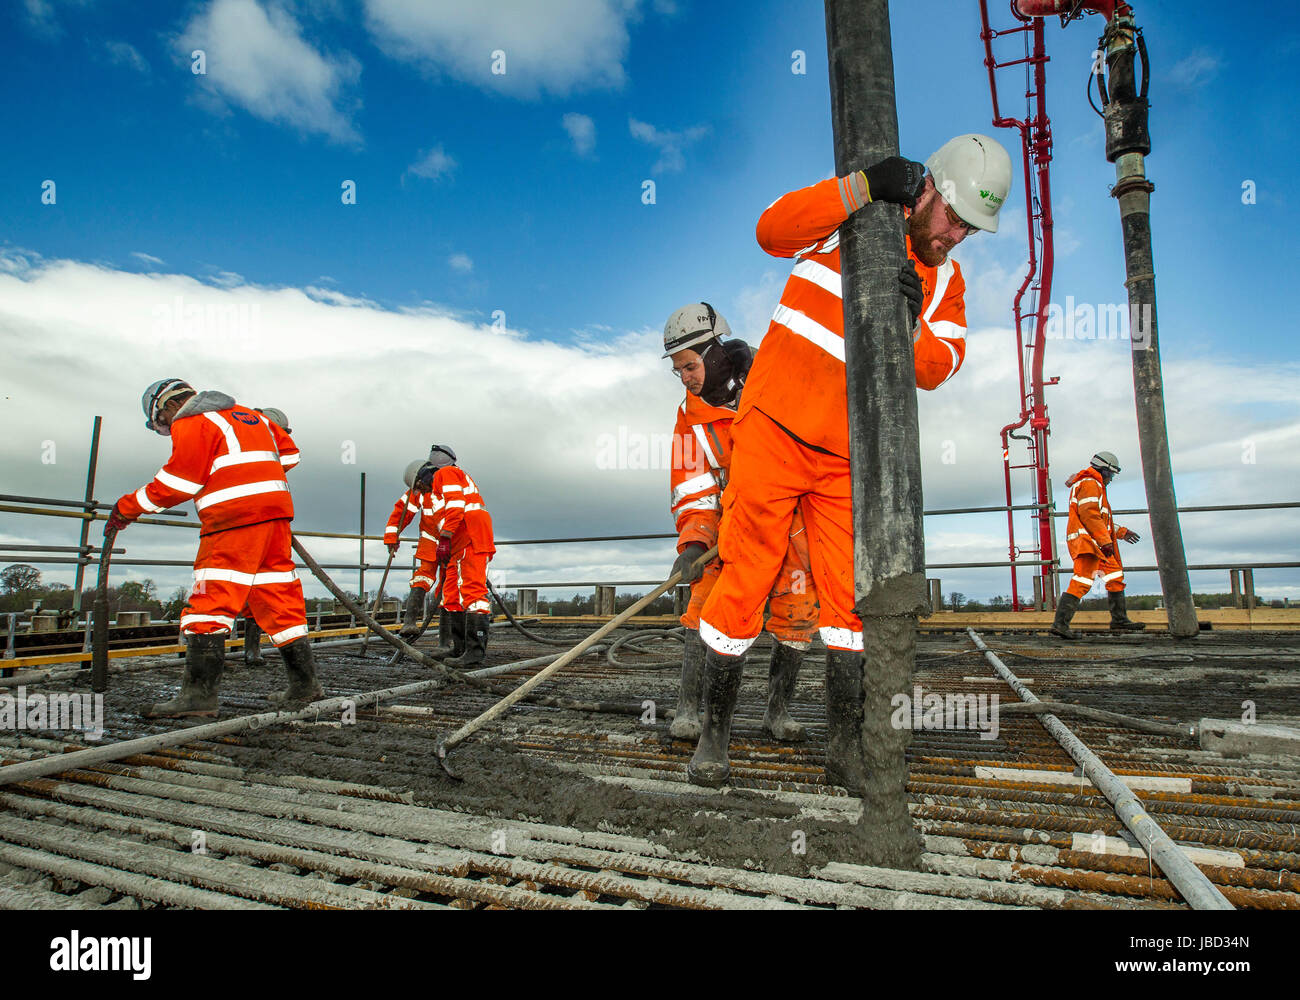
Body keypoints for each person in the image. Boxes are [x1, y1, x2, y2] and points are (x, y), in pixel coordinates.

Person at [691, 135, 1012, 788]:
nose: (955, 237)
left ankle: (844, 750)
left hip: (845, 457)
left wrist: (912, 320)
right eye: (952, 217)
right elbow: (770, 230)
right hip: (774, 429)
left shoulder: (946, 281)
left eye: (971, 229)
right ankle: (713, 741)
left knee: (847, 601)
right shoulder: (855, 215)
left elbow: (939, 366)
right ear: (927, 191)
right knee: (746, 579)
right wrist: (862, 185)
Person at [106, 379, 323, 717]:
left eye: (163, 424)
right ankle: (305, 686)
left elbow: (178, 482)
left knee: (210, 601)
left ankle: (198, 697)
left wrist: (126, 507)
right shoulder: (252, 417)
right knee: (279, 599)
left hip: (232, 522)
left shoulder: (192, 422)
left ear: (167, 407)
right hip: (275, 520)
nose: (169, 429)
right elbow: (291, 455)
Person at [663, 302, 818, 744]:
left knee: (797, 608)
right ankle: (689, 709)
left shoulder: (775, 378)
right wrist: (693, 544)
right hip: (732, 526)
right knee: (705, 603)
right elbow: (694, 487)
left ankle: (778, 713)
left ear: (715, 352)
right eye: (678, 371)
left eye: (690, 366)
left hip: (794, 522)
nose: (686, 377)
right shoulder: (691, 416)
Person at [1052, 451, 1144, 639]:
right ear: (1103, 470)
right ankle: (1060, 625)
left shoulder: (1095, 485)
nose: (1111, 479)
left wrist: (1121, 532)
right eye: (1111, 475)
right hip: (1089, 543)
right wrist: (1104, 541)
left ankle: (1119, 620)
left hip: (1098, 543)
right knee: (1082, 581)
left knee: (1115, 575)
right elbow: (1089, 515)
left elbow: (1102, 519)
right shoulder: (1090, 484)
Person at [422, 446, 496, 668]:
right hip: (460, 543)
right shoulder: (446, 482)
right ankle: (460, 648)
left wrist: (445, 536)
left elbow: (456, 506)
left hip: (469, 539)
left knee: (473, 594)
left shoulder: (446, 473)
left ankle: (475, 652)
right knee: (452, 595)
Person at [239, 405, 294, 669]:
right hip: (243, 528)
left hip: (268, 526)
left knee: (268, 589)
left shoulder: (269, 457)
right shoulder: (246, 449)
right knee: (226, 591)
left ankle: (253, 650)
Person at [385, 460, 445, 646]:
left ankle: (446, 641)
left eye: (420, 484)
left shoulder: (448, 488)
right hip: (430, 543)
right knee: (422, 578)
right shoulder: (418, 493)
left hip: (451, 544)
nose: (419, 488)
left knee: (449, 588)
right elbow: (401, 512)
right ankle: (409, 622)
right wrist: (391, 536)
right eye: (417, 486)